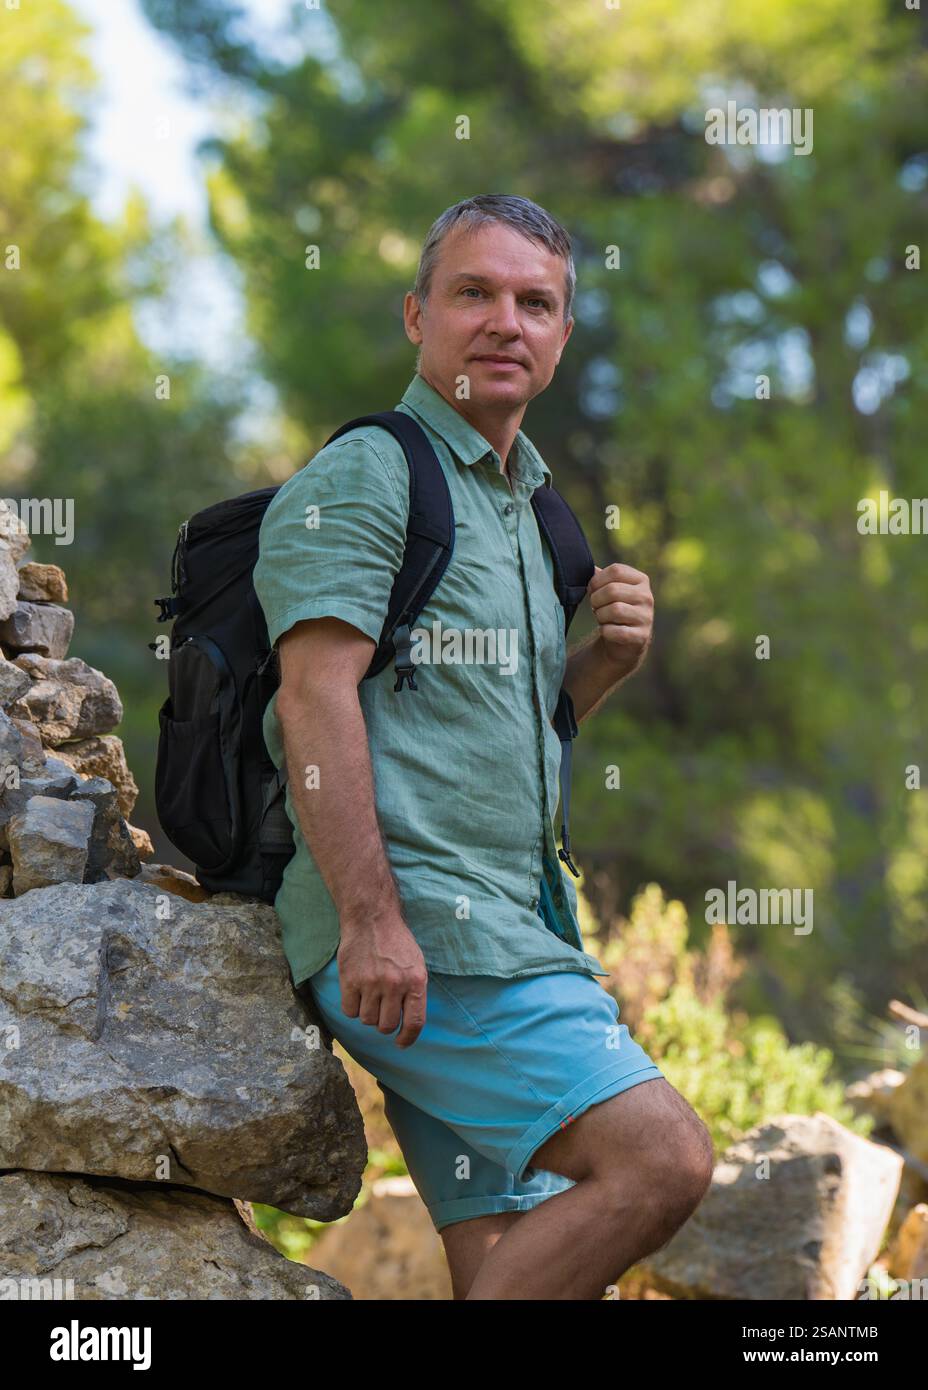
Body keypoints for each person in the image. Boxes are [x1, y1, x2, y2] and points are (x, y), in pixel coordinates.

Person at [253, 193, 714, 1300]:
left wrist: (587, 676)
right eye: (474, 292)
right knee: (661, 1158)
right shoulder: (372, 474)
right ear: (418, 315)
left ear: (559, 337)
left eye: (534, 301)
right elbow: (313, 699)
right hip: (424, 941)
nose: (505, 320)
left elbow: (482, 742)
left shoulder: (536, 507)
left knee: (516, 1269)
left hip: (513, 927)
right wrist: (371, 920)